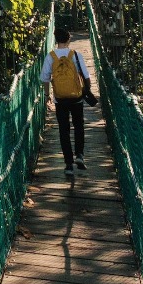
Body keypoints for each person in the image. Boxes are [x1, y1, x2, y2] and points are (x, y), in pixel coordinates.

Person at [40, 25, 97, 181]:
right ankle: (79, 154)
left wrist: (47, 95)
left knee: (64, 130)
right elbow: (86, 76)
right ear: (69, 39)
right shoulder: (75, 55)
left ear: (56, 40)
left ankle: (68, 164)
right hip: (76, 98)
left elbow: (45, 78)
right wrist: (86, 90)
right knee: (78, 126)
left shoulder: (50, 56)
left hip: (60, 99)